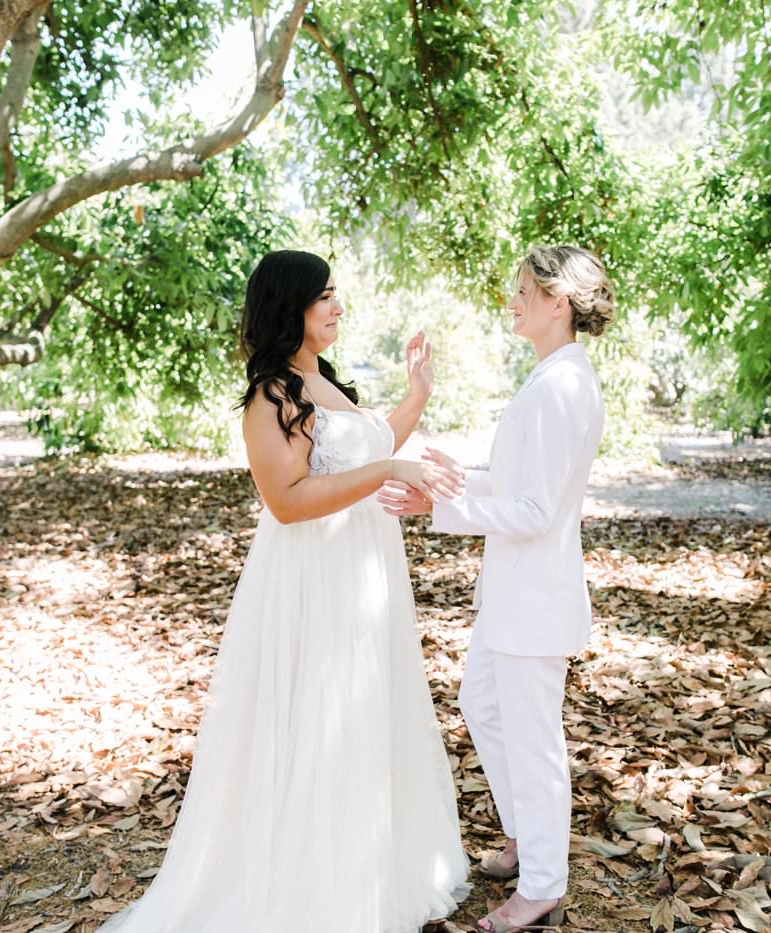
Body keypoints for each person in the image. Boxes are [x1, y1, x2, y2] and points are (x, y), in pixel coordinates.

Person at [99, 250, 470, 932]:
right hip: (312, 579)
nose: (336, 305)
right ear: (289, 306)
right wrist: (390, 465)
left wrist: (417, 392)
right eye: (322, 295)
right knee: (312, 720)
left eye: (336, 294)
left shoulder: (319, 379)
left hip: (360, 576)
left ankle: (365, 869)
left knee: (362, 715)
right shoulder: (270, 395)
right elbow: (289, 500)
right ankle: (308, 890)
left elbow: (369, 445)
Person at [379, 246, 614, 933]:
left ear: (556, 301)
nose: (511, 301)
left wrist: (440, 509)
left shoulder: (563, 386)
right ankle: (523, 838)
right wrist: (458, 480)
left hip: (535, 600)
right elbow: (519, 490)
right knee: (481, 701)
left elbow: (537, 512)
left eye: (521, 290)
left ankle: (542, 885)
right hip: (514, 596)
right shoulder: (551, 377)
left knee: (534, 739)